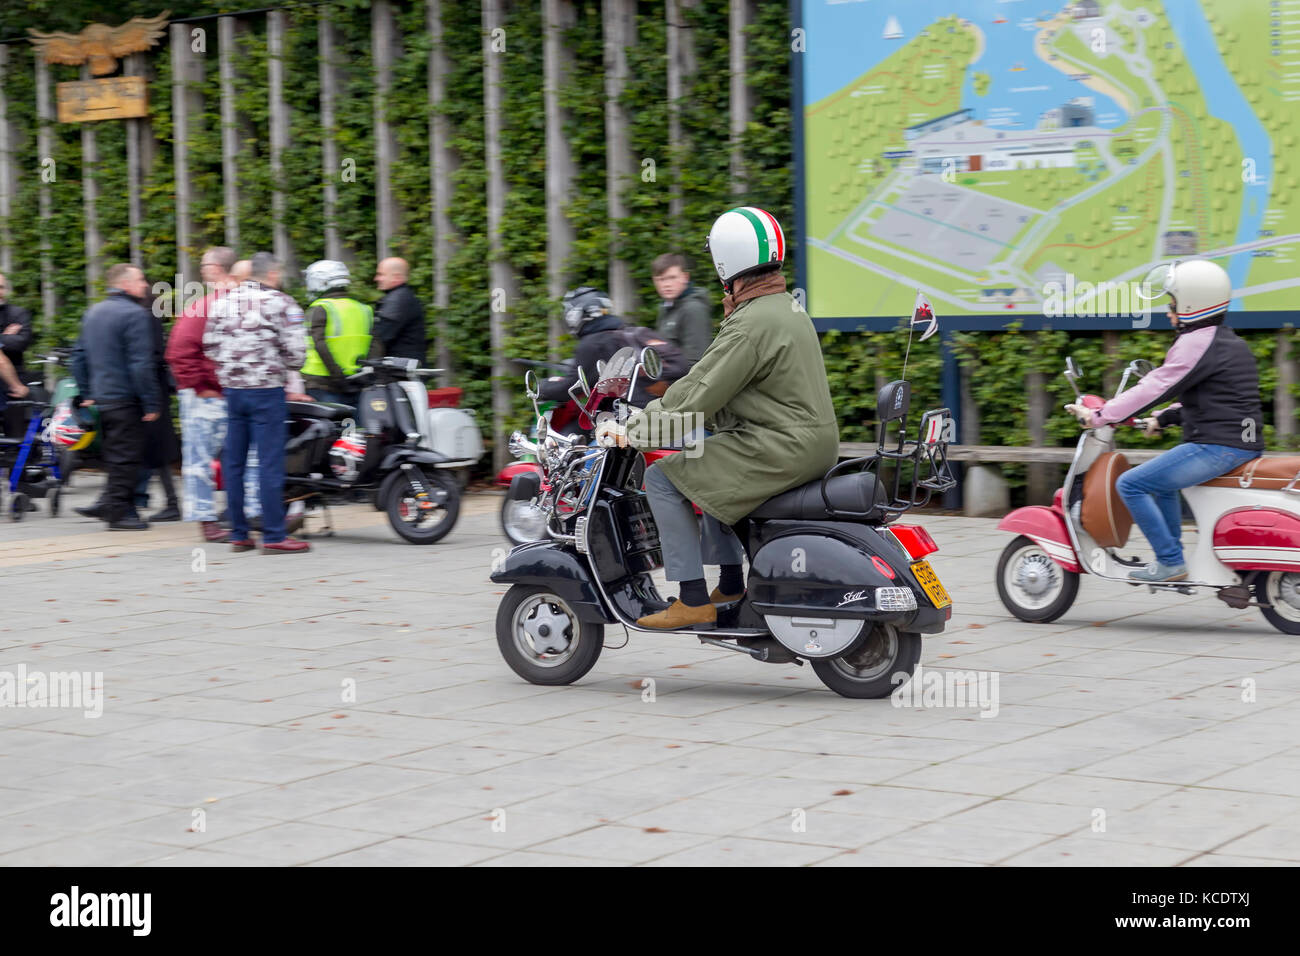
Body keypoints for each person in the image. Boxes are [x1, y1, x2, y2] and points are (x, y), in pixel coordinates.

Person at [607, 207, 839, 629]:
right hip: (805, 441)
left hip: (782, 445)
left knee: (661, 478)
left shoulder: (749, 324)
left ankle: (692, 598)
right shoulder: (784, 306)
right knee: (708, 463)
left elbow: (695, 397)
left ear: (727, 262)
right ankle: (731, 582)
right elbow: (714, 385)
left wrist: (633, 429)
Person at [1066, 258, 1263, 583]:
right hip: (1236, 443)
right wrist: (1164, 418)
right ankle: (1174, 563)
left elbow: (1156, 386)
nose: (1169, 312)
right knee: (1160, 484)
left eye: (1172, 303)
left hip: (1219, 447)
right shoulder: (1227, 341)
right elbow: (1213, 400)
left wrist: (1100, 415)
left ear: (1191, 304)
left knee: (1131, 483)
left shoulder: (1196, 342)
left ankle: (1170, 562)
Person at [203, 252, 310, 554]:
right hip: (267, 391)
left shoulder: (223, 301)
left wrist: (233, 365)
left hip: (233, 391)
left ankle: (239, 534)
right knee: (269, 463)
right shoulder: (283, 304)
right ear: (273, 274)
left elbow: (209, 345)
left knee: (233, 462)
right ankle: (274, 535)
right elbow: (297, 355)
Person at [166, 246, 263, 542]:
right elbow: (179, 351)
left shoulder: (224, 305)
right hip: (207, 397)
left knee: (243, 458)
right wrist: (202, 386)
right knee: (202, 460)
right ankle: (208, 521)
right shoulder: (208, 306)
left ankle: (246, 514)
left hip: (222, 394)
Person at [69, 264, 161, 531]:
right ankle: (119, 514)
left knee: (115, 454)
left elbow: (78, 357)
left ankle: (113, 504)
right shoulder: (136, 315)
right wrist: (151, 401)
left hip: (103, 398)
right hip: (126, 397)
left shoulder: (93, 312)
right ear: (125, 284)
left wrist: (87, 391)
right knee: (126, 457)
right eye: (141, 280)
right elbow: (140, 364)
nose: (145, 285)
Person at [301, 260, 374, 407]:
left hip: (322, 383)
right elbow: (375, 344)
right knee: (353, 428)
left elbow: (319, 344)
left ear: (320, 281)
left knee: (327, 429)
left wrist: (337, 376)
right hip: (355, 382)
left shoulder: (320, 308)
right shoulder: (364, 309)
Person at [652, 253, 713, 368]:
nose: (667, 284)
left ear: (685, 277)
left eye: (672, 277)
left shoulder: (693, 309)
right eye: (661, 279)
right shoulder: (666, 307)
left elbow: (696, 363)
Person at [372, 257, 426, 362]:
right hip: (403, 369)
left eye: (381, 274)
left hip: (400, 372)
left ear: (396, 277)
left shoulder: (397, 300)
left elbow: (379, 338)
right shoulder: (402, 296)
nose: (376, 279)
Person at [0, 272, 33, 437]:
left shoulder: (18, 313)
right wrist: (6, 337)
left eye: (1, 287)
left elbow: (22, 342)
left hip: (14, 377)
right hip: (12, 380)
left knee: (16, 434)